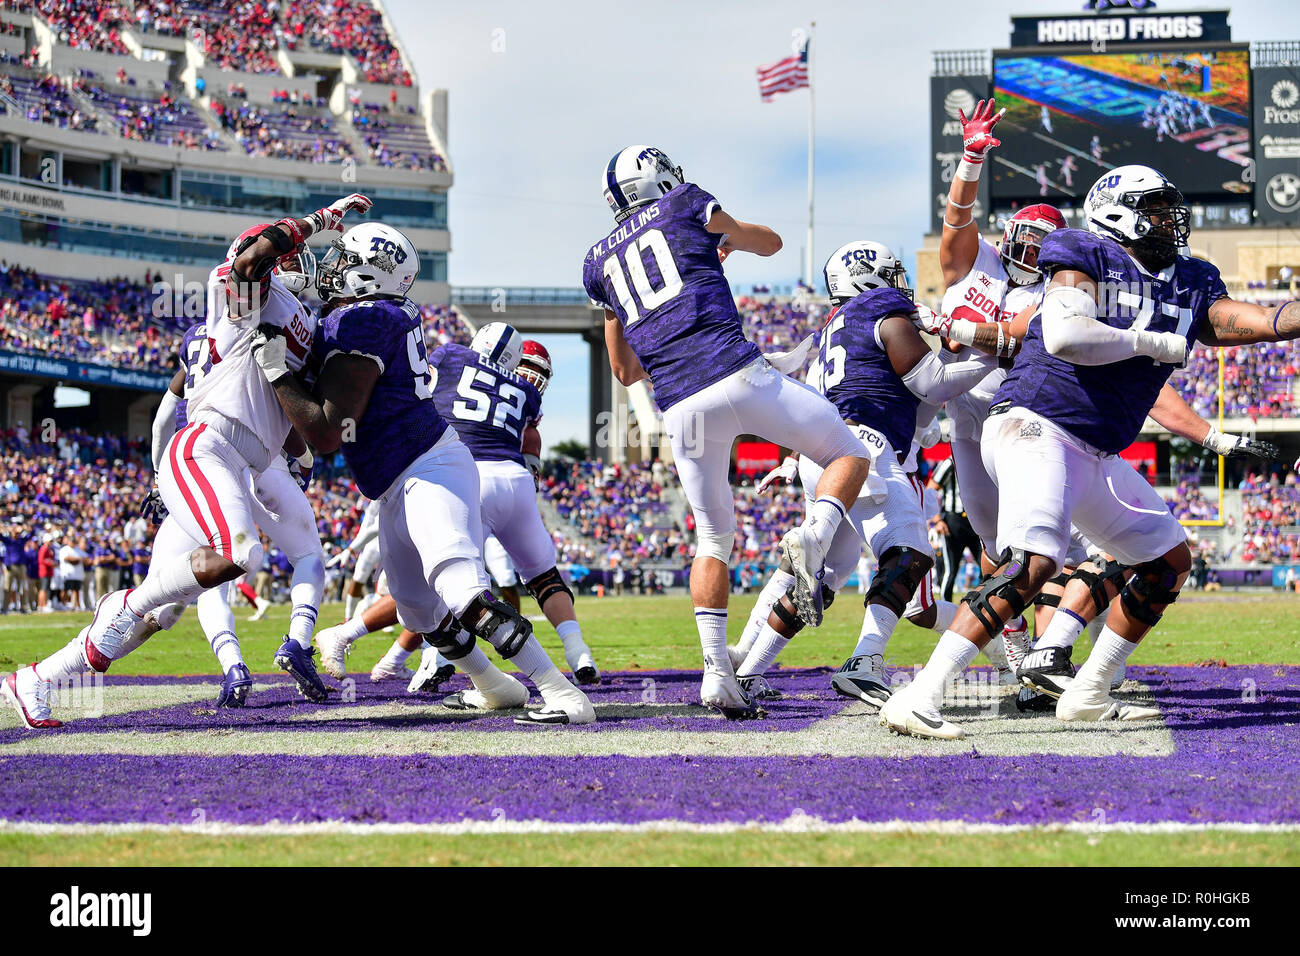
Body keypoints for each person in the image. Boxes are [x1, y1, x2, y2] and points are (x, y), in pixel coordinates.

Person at [881, 164, 1300, 739]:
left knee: (1167, 558)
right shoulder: (1083, 251)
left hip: (1096, 448)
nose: (1167, 219)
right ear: (1116, 210)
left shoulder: (1191, 277)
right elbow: (1065, 336)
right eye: (1153, 207)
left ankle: (1088, 691)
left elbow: (1244, 320)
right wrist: (1151, 341)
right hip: (1036, 421)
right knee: (1035, 561)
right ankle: (921, 696)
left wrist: (1292, 317)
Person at [2, 197, 362, 728]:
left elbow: (289, 407)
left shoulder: (305, 323)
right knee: (241, 554)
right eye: (293, 249)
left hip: (242, 465)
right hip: (207, 447)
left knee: (158, 615)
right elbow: (247, 264)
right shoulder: (245, 294)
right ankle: (120, 606)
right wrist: (318, 219)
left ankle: (40, 678)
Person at [251, 219, 594, 725]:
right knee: (416, 608)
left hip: (429, 465)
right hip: (394, 480)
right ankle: (494, 685)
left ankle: (561, 692)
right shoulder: (369, 314)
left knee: (462, 592)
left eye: (344, 261)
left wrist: (276, 369)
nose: (331, 268)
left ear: (370, 276)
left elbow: (327, 432)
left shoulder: (367, 320)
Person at [583, 145, 870, 717]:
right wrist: (722, 243)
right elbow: (770, 242)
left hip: (679, 407)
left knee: (712, 540)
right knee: (848, 453)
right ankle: (814, 535)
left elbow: (623, 370)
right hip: (736, 374)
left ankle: (717, 673)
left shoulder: (597, 262)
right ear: (663, 178)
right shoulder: (685, 202)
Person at [729, 241, 988, 707]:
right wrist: (987, 361)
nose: (899, 285)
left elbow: (825, 404)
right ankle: (865, 660)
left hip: (820, 455)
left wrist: (790, 461)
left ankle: (746, 675)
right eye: (892, 274)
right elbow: (929, 383)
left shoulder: (833, 331)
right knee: (908, 555)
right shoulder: (884, 312)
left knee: (823, 582)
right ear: (872, 279)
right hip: (861, 451)